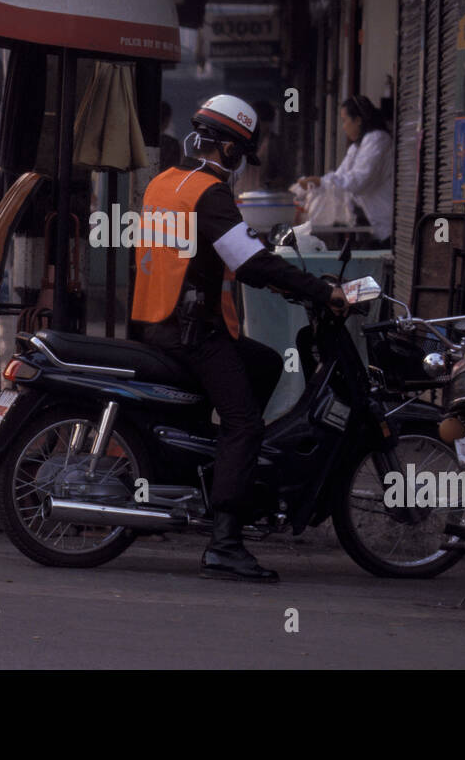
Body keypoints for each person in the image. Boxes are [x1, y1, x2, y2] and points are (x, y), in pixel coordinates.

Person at [131, 94, 347, 583]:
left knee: (266, 363)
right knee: (245, 424)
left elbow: (224, 253)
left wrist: (269, 269)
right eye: (241, 155)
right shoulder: (209, 193)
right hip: (193, 335)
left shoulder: (165, 183)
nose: (240, 165)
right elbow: (245, 260)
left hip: (159, 324)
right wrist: (318, 290)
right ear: (227, 149)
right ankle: (225, 544)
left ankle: (222, 466)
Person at [298, 95, 393, 247]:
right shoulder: (357, 147)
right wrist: (317, 183)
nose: (343, 127)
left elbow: (359, 181)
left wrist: (321, 181)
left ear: (358, 120)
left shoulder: (377, 139)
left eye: (344, 120)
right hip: (373, 223)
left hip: (387, 222)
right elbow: (339, 177)